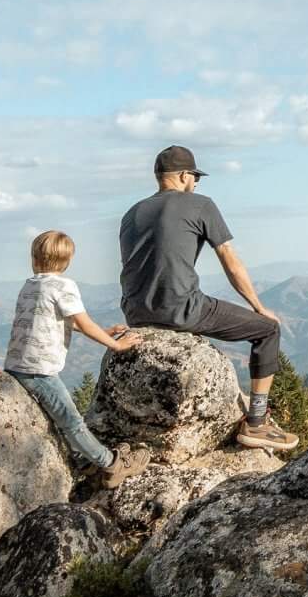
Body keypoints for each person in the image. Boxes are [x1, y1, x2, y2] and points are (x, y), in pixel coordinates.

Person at [119, 145, 298, 451]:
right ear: (184, 176)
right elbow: (229, 259)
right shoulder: (200, 205)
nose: (197, 183)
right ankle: (256, 422)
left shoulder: (131, 213)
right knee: (268, 330)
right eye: (196, 177)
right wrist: (258, 307)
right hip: (182, 309)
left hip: (135, 312)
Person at [6, 229, 146, 489]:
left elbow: (62, 321)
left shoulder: (30, 285)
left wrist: (102, 332)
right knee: (72, 421)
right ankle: (112, 464)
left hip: (17, 366)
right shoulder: (63, 285)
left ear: (34, 258)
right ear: (67, 260)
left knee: (58, 420)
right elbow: (80, 320)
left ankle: (83, 459)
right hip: (40, 369)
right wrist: (116, 344)